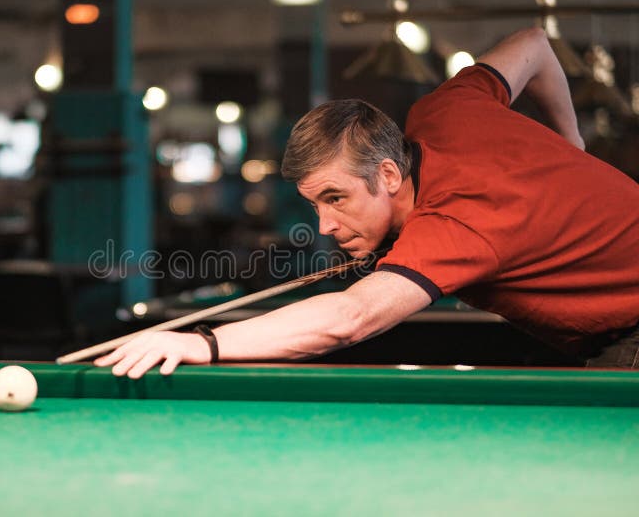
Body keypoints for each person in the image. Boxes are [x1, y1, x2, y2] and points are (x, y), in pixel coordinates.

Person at [95, 27, 639, 377]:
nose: (326, 226)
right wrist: (574, 143)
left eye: (336, 198)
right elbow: (535, 45)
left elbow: (350, 318)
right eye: (315, 205)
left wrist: (203, 344)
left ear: (387, 173)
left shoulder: (454, 224)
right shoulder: (444, 110)